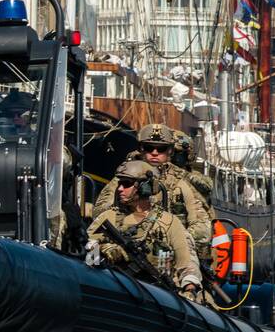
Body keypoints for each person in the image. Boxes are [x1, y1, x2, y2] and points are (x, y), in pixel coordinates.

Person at [91, 124, 213, 262]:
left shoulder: (181, 183)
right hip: (126, 248)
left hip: (168, 254)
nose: (154, 153)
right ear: (141, 149)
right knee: (93, 253)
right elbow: (100, 213)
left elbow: (202, 228)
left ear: (170, 151)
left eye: (161, 149)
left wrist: (173, 239)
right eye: (149, 148)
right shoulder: (124, 178)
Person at [87, 160, 203, 301]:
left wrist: (189, 289)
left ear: (144, 187)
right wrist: (105, 251)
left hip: (157, 297)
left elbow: (187, 264)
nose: (120, 189)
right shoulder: (108, 217)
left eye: (127, 184)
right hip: (113, 290)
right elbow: (87, 252)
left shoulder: (168, 222)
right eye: (120, 183)